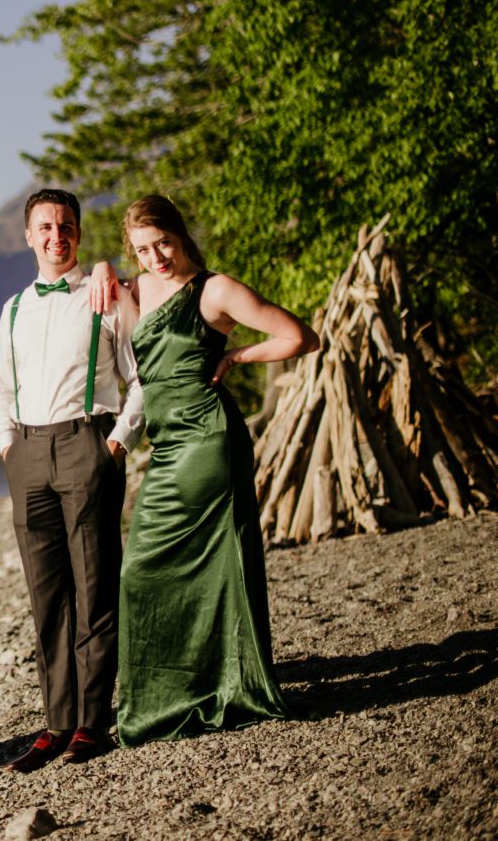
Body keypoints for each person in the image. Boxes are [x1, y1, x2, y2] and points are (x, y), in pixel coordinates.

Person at [104, 195, 318, 745]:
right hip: (168, 443)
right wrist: (105, 268)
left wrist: (237, 356)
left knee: (215, 564)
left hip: (209, 441)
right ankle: (169, 694)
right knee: (141, 571)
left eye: (165, 244)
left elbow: (299, 337)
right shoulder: (137, 288)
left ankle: (220, 686)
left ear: (181, 234)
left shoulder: (215, 289)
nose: (158, 258)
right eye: (144, 250)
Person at [0, 189, 144, 772]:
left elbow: (141, 374)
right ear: (29, 235)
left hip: (87, 441)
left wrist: (117, 439)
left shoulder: (104, 296)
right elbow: (1, 384)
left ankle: (91, 722)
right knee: (46, 593)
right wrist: (6, 442)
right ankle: (55, 723)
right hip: (27, 452)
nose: (58, 236)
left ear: (78, 234)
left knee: (95, 585)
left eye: (67, 226)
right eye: (46, 226)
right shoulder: (11, 309)